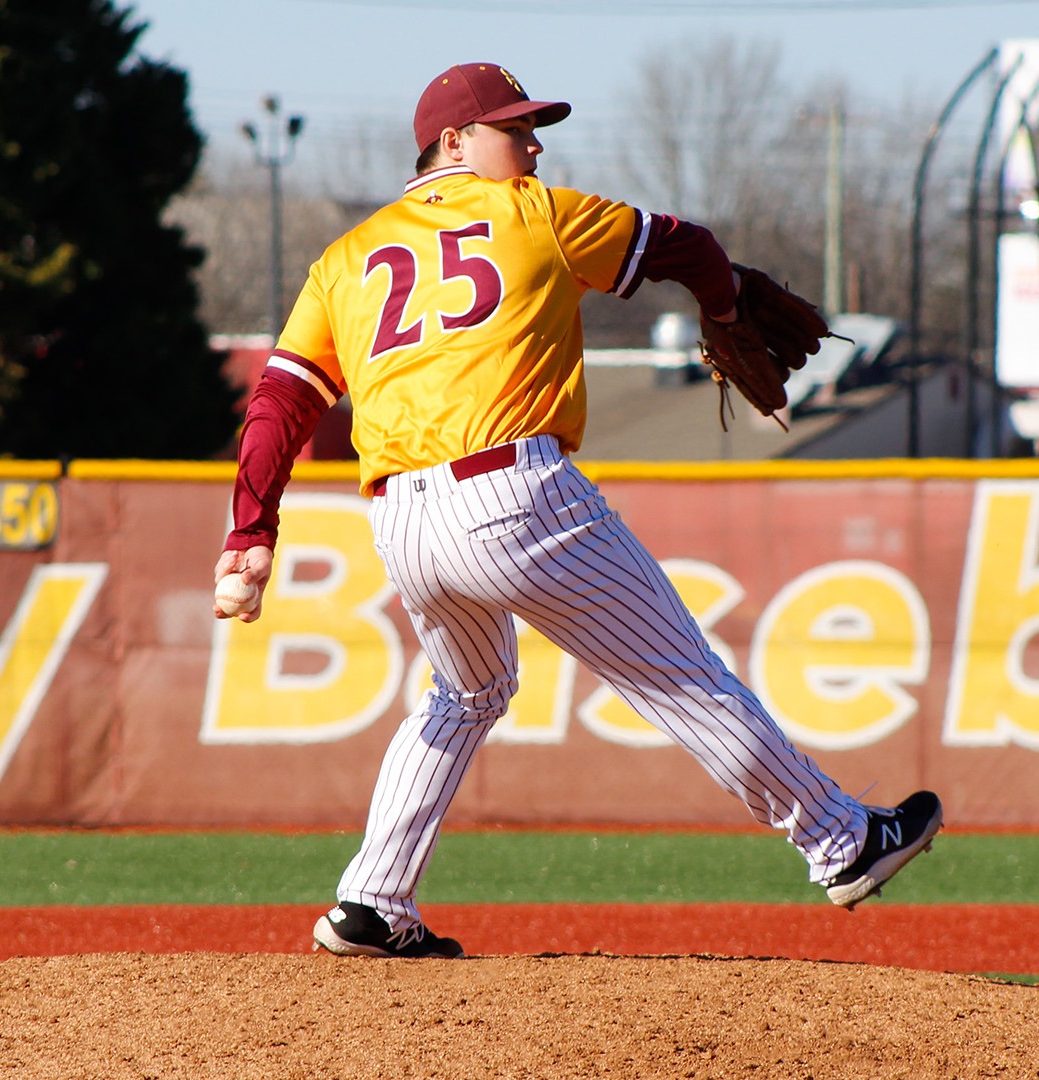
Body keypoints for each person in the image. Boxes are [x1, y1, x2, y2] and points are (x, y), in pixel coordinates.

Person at [214, 62, 943, 959]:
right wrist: (722, 309)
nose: (533, 144)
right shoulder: (535, 212)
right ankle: (839, 840)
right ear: (453, 143)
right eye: (514, 129)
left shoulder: (345, 259)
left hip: (402, 519)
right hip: (518, 498)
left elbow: (280, 401)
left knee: (464, 694)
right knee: (681, 673)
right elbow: (690, 244)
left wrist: (252, 530)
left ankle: (371, 903)